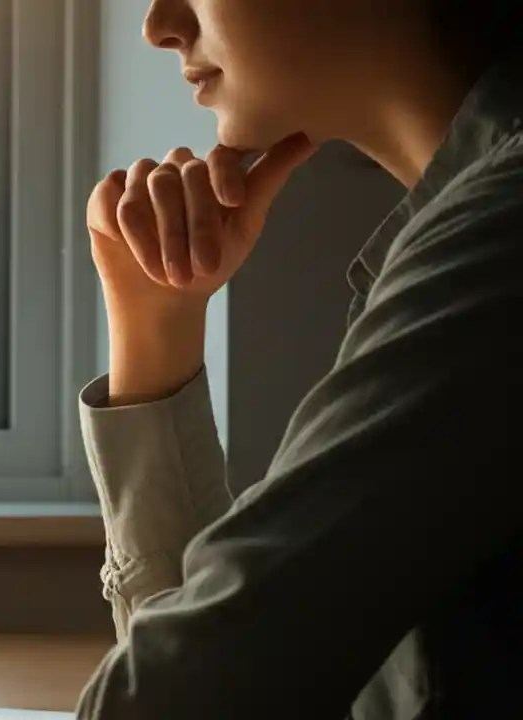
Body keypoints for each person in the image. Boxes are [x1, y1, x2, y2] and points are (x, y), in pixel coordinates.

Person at [77, 0, 523, 717]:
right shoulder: (456, 234)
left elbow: (178, 696)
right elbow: (200, 675)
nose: (158, 24)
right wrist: (155, 334)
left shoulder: (501, 241)